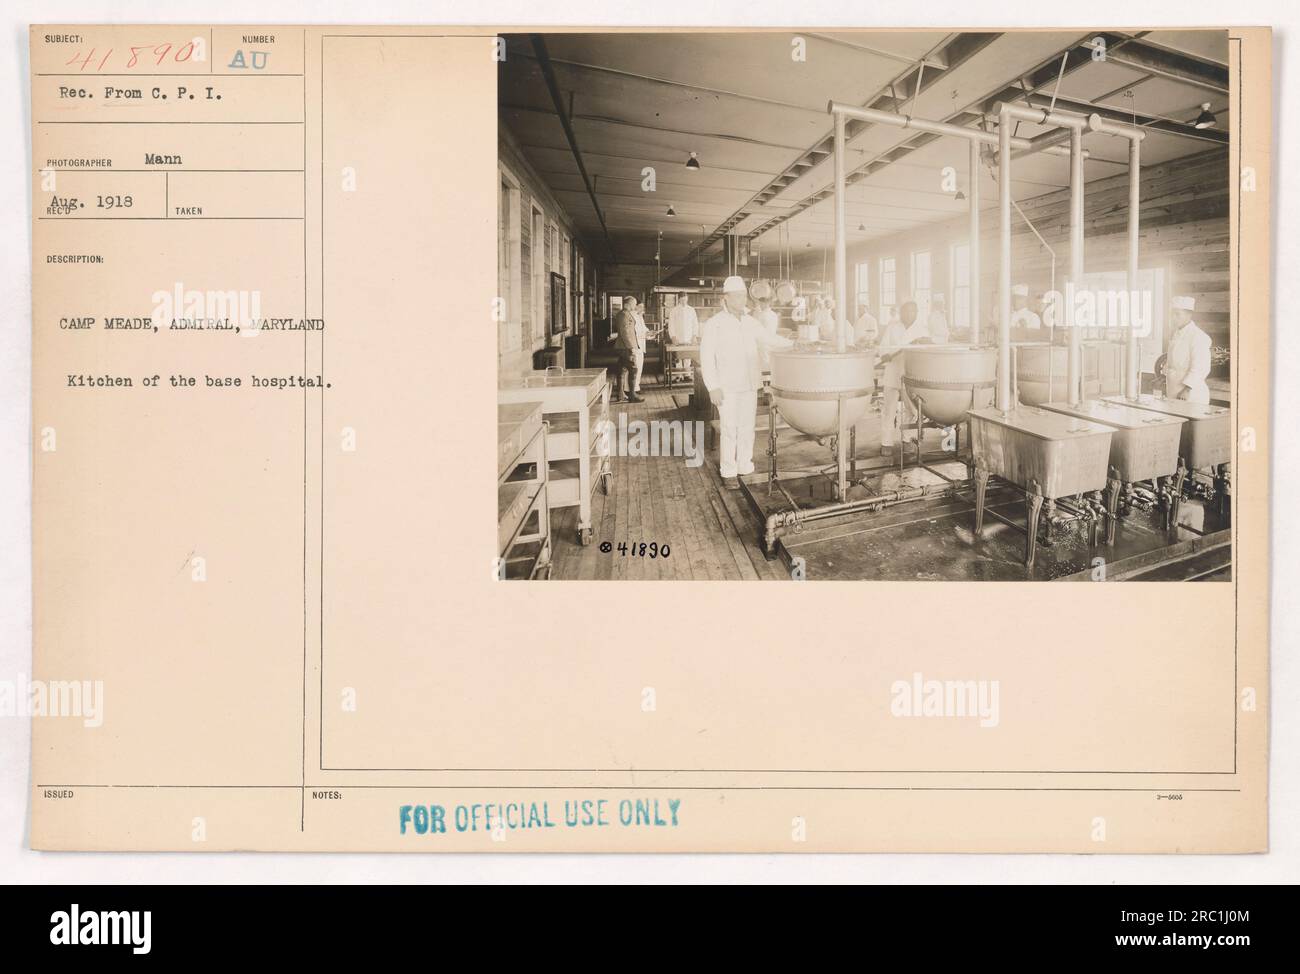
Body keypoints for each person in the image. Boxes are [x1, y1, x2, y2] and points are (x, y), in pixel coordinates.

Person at [700, 275, 793, 486]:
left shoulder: (751, 322)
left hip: (750, 384)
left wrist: (794, 344)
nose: (743, 299)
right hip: (727, 386)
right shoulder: (715, 324)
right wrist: (712, 386)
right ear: (726, 297)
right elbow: (706, 357)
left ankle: (744, 464)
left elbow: (769, 340)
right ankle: (728, 471)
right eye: (738, 295)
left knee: (747, 427)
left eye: (744, 295)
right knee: (729, 428)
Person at [877, 299, 922, 456]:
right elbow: (883, 347)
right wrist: (885, 354)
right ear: (901, 313)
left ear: (916, 313)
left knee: (913, 410)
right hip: (893, 372)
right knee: (889, 409)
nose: (908, 314)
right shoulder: (893, 327)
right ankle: (886, 443)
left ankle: (907, 439)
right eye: (905, 311)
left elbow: (928, 348)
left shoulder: (921, 330)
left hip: (911, 375)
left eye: (912, 311)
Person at [1164, 295, 1211, 403]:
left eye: (1177, 314)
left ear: (1189, 315)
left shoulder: (1198, 336)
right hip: (1174, 389)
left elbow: (1200, 368)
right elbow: (1173, 362)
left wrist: (1187, 390)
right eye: (1172, 314)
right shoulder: (1177, 334)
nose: (1173, 318)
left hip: (1191, 393)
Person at [613, 297, 643, 403]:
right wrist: (631, 347)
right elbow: (625, 333)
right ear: (628, 304)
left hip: (623, 347)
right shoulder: (623, 315)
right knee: (633, 369)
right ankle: (632, 396)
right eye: (634, 304)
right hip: (625, 347)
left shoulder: (624, 314)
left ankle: (620, 395)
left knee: (621, 370)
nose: (635, 307)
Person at [627, 297, 649, 395]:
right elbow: (632, 333)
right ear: (635, 306)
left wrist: (650, 332)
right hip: (634, 346)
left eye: (642, 307)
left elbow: (644, 329)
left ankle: (636, 387)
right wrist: (645, 334)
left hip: (641, 346)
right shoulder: (631, 316)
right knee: (632, 369)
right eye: (640, 307)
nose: (642, 309)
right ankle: (628, 389)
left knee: (639, 367)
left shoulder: (640, 317)